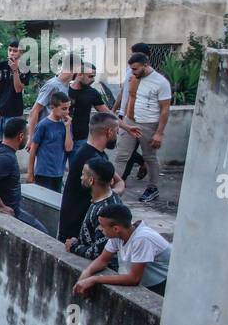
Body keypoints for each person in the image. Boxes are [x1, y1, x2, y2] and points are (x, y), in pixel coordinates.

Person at [73, 204, 172, 296]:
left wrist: (95, 279)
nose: (100, 229)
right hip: (149, 282)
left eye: (102, 226)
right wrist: (87, 272)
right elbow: (103, 260)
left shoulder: (141, 239)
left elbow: (134, 278)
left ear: (116, 229)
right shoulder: (118, 235)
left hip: (165, 284)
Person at [58, 112, 125, 241]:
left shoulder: (97, 155)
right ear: (109, 132)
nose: (117, 136)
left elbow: (120, 182)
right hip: (76, 229)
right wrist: (110, 194)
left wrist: (109, 194)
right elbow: (119, 184)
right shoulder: (92, 160)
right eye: (116, 132)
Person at [115, 52, 172, 204]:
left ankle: (152, 187)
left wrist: (159, 133)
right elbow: (127, 97)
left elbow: (165, 109)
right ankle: (115, 186)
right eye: (131, 69)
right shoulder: (133, 78)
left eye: (135, 69)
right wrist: (122, 116)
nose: (132, 72)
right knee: (121, 155)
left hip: (148, 123)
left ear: (145, 66)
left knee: (149, 157)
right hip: (130, 120)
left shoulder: (161, 83)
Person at [64, 157, 123, 263]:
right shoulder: (110, 198)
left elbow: (99, 253)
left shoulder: (105, 212)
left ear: (91, 180)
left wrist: (74, 247)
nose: (81, 177)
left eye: (83, 174)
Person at [0, 41, 30, 147]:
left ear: (21, 53)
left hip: (13, 113)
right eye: (10, 50)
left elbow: (18, 89)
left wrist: (15, 71)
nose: (12, 53)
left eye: (15, 51)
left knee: (8, 145)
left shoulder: (25, 69)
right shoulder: (0, 66)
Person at [26, 91, 73, 191]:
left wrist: (68, 127)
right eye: (64, 109)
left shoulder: (65, 125)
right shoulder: (43, 125)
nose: (67, 112)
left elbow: (68, 148)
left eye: (68, 108)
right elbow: (33, 149)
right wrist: (30, 173)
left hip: (58, 172)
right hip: (44, 172)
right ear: (52, 107)